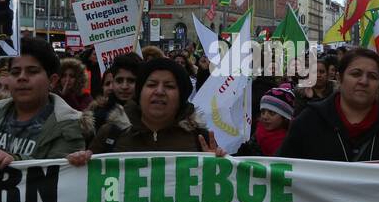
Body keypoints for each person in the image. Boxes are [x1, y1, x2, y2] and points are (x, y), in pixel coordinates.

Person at [0, 38, 84, 170]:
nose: (22, 77)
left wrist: (15, 162)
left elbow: (60, 176)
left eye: (32, 71)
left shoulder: (69, 126)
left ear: (52, 81)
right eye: (15, 72)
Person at [277, 47, 379, 164]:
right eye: (356, 74)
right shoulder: (308, 121)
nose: (363, 81)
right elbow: (280, 173)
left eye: (372, 76)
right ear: (340, 78)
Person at [69, 58, 222, 161]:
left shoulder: (200, 139)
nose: (159, 91)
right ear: (140, 93)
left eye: (169, 86)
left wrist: (216, 169)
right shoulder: (110, 134)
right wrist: (79, 164)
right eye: (151, 84)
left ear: (181, 97)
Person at [80, 52, 142, 143]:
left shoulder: (152, 115)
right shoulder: (97, 117)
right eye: (119, 80)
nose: (124, 86)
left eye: (131, 81)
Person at [238, 86, 294, 157]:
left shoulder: (288, 142)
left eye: (272, 113)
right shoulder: (258, 131)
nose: (265, 117)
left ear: (285, 117)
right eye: (263, 112)